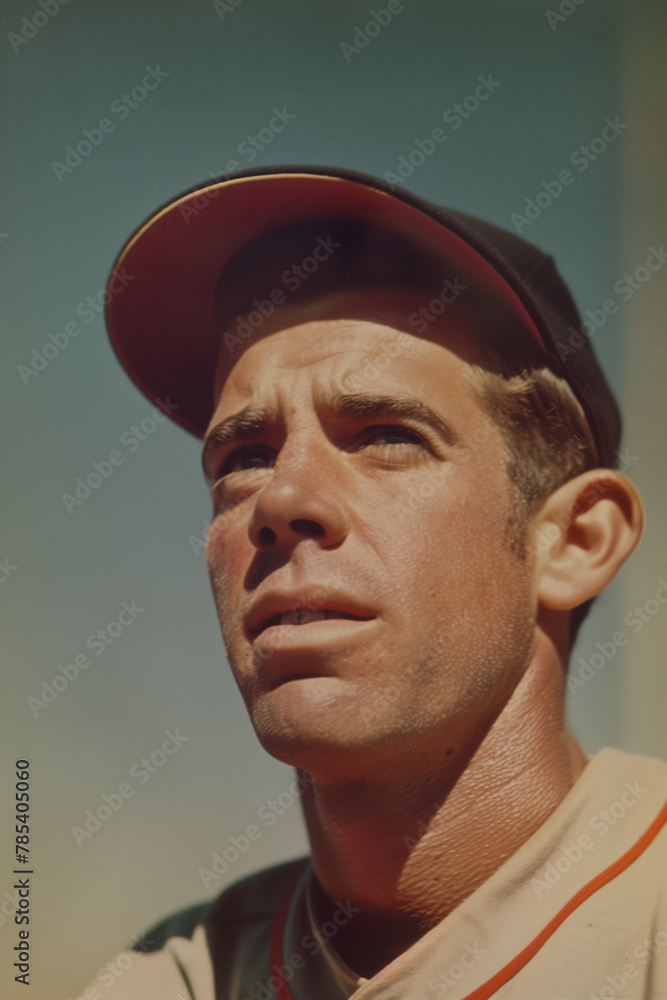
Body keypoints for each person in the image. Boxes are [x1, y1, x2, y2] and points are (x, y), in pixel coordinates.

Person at [86, 165, 666, 999]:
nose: (280, 500)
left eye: (387, 436)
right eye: (244, 457)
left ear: (574, 541)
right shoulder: (173, 977)